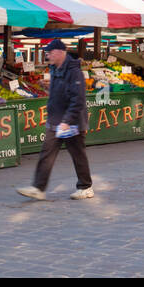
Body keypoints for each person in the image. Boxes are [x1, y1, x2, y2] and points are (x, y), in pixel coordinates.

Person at [16, 39, 93, 200]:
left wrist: (67, 120)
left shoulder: (73, 71)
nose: (48, 55)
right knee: (47, 153)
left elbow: (78, 99)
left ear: (59, 52)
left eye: (50, 52)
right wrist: (47, 87)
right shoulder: (55, 68)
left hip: (72, 122)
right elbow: (60, 92)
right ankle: (38, 188)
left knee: (77, 154)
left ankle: (86, 187)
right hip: (56, 120)